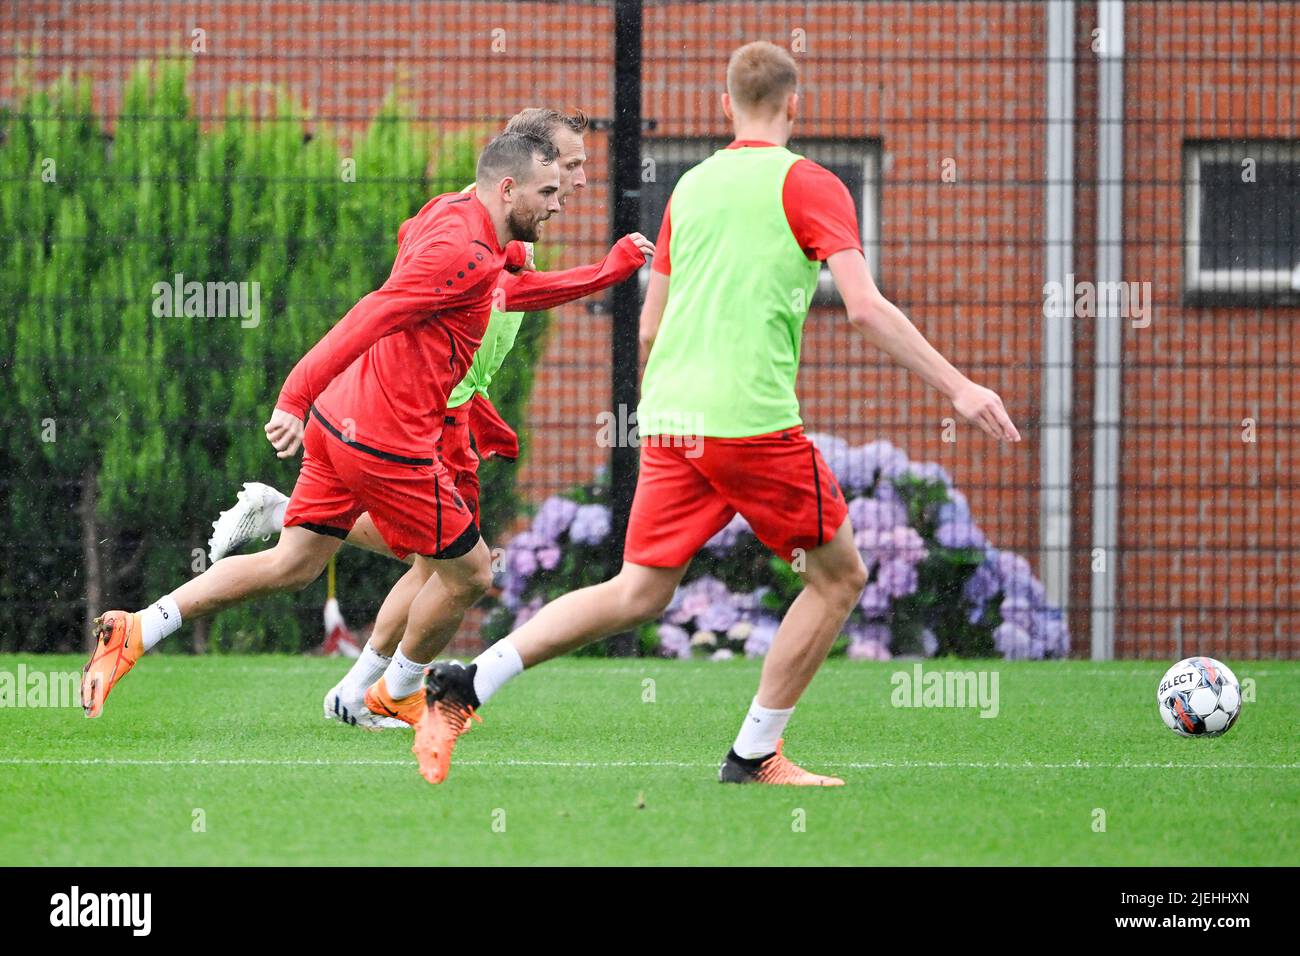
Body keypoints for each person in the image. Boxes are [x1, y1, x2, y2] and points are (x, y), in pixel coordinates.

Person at [409, 41, 1022, 786]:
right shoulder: (812, 184)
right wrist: (958, 386)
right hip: (750, 421)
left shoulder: (691, 187)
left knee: (637, 590)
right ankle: (755, 753)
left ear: (725, 108)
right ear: (795, 105)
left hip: (671, 417)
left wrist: (674, 395)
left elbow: (647, 327)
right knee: (838, 577)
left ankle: (471, 682)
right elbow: (862, 307)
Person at [82, 133, 561, 786]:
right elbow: (375, 311)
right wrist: (293, 395)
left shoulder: (450, 213)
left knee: (293, 563)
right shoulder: (469, 253)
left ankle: (138, 628)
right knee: (468, 571)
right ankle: (395, 692)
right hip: (384, 442)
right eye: (551, 190)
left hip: (343, 419)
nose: (560, 203)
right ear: (508, 188)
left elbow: (427, 262)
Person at [204, 108, 654, 729]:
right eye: (567, 171)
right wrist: (296, 395)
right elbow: (393, 301)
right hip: (417, 424)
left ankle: (360, 693)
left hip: (449, 418)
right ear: (518, 175)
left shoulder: (494, 238)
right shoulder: (473, 240)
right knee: (456, 566)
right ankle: (388, 686)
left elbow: (458, 266)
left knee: (433, 565)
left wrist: (602, 273)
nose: (575, 186)